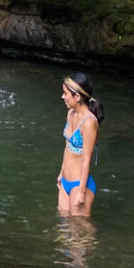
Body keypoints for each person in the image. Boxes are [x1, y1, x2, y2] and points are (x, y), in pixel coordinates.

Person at [58, 70, 103, 218]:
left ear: (77, 96)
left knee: (81, 234)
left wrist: (81, 192)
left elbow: (86, 159)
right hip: (65, 182)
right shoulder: (70, 113)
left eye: (66, 93)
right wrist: (61, 172)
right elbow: (67, 148)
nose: (62, 97)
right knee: (64, 229)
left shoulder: (89, 122)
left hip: (79, 185)